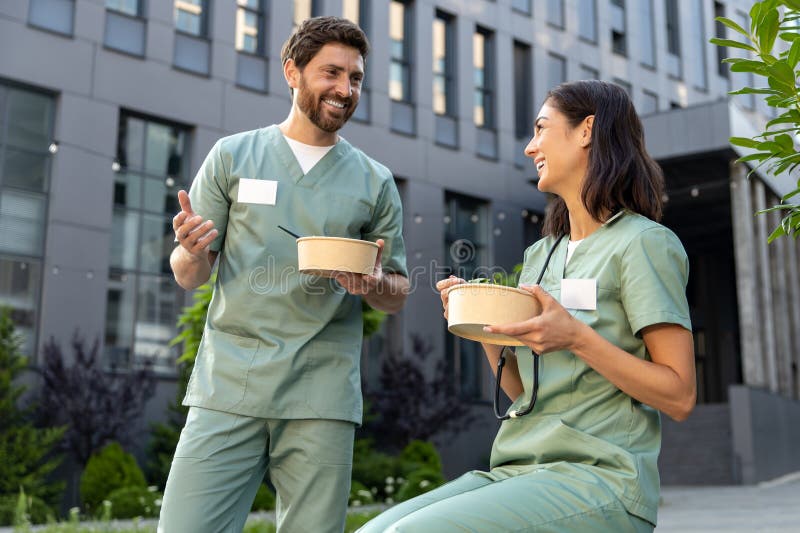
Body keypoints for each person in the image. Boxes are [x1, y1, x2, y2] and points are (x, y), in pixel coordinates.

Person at [358, 80, 695, 532]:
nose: (529, 147)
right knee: (374, 530)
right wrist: (484, 329)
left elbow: (679, 396)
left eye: (541, 129)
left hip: (600, 479)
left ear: (586, 131)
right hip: (519, 467)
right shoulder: (543, 255)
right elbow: (525, 393)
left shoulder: (644, 244)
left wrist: (576, 338)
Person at [158, 16, 409, 533]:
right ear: (292, 72)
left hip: (321, 389)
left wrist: (372, 283)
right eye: (331, 73)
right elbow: (189, 275)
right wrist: (189, 250)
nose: (345, 89)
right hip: (231, 381)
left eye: (356, 78)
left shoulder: (375, 180)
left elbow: (398, 292)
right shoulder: (233, 156)